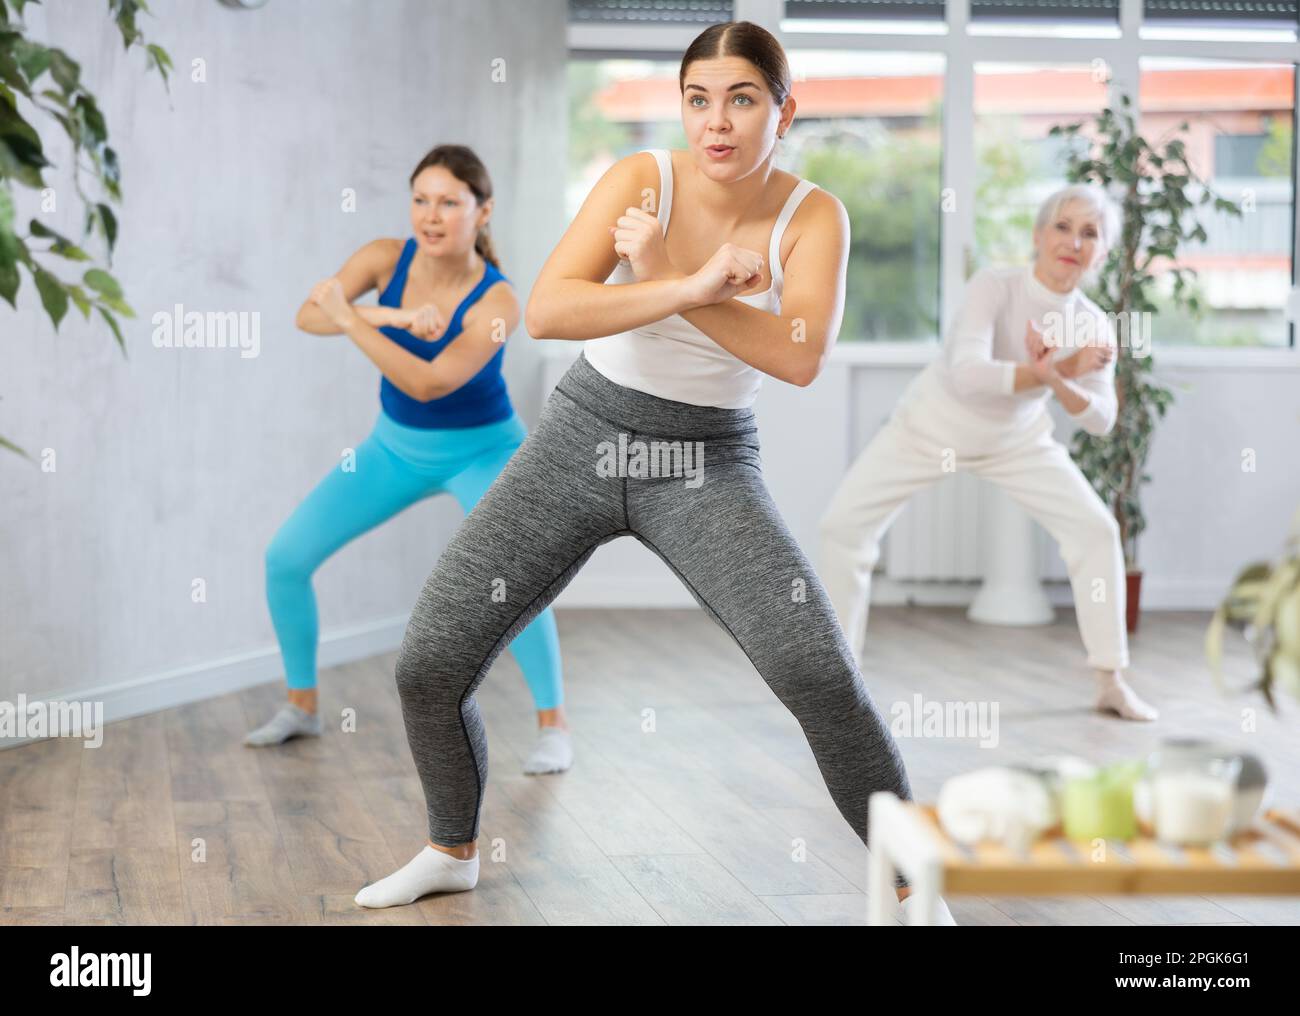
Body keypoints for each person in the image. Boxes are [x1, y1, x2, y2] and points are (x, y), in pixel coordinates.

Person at [355, 21, 954, 925]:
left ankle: (915, 890)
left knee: (818, 672)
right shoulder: (644, 179)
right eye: (699, 99)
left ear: (784, 110)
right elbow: (552, 312)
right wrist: (688, 283)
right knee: (429, 662)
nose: (717, 123)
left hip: (704, 460)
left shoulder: (813, 216)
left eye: (743, 99)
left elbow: (797, 358)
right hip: (582, 437)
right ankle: (450, 850)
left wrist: (669, 265)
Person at [252, 144, 572, 776]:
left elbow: (430, 382)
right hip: (392, 449)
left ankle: (554, 725)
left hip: (484, 451)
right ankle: (303, 705)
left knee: (517, 580)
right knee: (285, 558)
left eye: (449, 202)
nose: (431, 216)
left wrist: (353, 318)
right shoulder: (384, 258)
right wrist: (391, 312)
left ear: (482, 212)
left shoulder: (499, 301)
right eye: (421, 199)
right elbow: (308, 315)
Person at [818, 183, 1158, 723]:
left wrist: (1059, 379)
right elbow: (968, 374)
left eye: (1089, 233)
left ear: (1102, 251)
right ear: (1039, 235)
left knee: (1096, 530)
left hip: (1016, 441)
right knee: (842, 527)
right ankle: (840, 684)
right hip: (928, 428)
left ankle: (1110, 679)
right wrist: (1058, 371)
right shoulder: (995, 287)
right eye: (1063, 227)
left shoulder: (1092, 324)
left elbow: (1100, 420)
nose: (1073, 242)